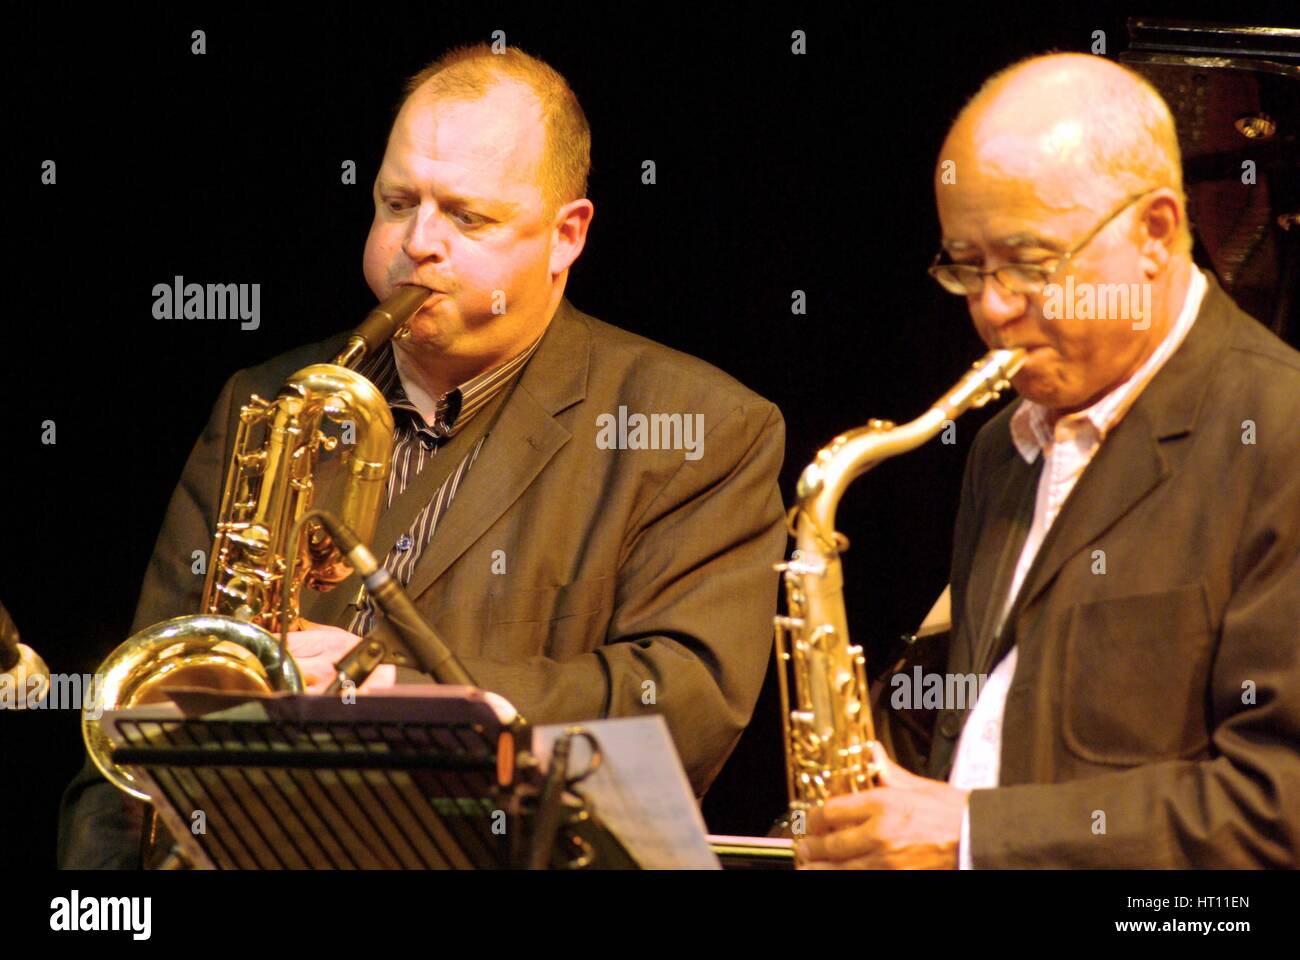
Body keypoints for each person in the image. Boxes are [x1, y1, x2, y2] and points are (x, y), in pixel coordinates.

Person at [59, 43, 787, 868]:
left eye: (467, 217)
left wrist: (396, 691)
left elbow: (681, 706)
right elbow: (133, 725)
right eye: (397, 203)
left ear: (566, 236)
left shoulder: (700, 425)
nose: (419, 243)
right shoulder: (267, 401)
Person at [799, 53, 1300, 869]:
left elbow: (1278, 806)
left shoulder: (1281, 437)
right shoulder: (1003, 447)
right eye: (966, 267)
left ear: (1156, 232)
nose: (993, 309)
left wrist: (971, 835)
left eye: (1032, 266)